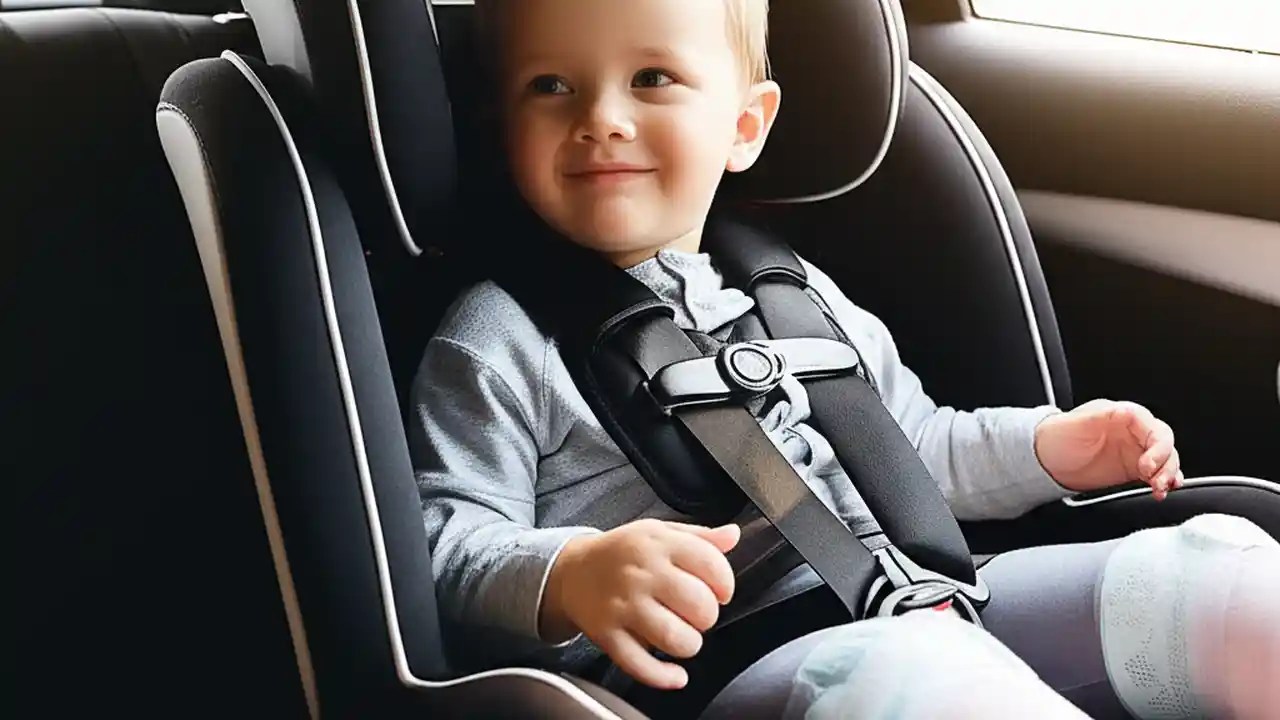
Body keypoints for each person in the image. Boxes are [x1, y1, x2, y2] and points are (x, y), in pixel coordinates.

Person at [409, 0, 1280, 717]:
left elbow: (913, 450)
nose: (601, 118)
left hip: (931, 598)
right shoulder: (495, 339)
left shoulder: (791, 291)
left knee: (1214, 577)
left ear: (744, 124)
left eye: (652, 78)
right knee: (931, 689)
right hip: (738, 667)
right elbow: (443, 542)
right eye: (550, 85)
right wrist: (568, 575)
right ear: (502, 127)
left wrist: (1049, 450)